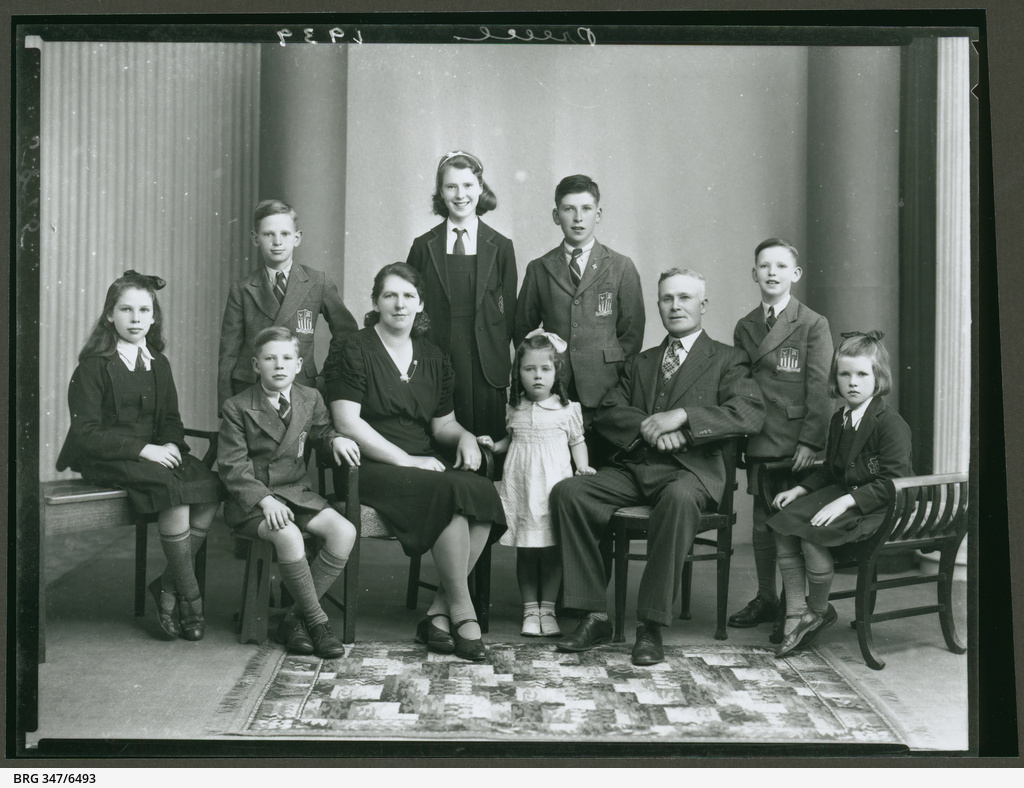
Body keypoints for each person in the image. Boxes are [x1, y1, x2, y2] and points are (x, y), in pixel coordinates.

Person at [550, 269, 765, 666]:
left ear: (703, 305)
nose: (675, 306)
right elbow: (609, 410)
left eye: (685, 298)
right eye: (667, 299)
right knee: (569, 493)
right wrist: (651, 430)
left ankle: (649, 624)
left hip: (691, 473)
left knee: (679, 500)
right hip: (637, 468)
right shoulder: (642, 362)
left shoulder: (728, 359)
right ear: (659, 305)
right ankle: (593, 615)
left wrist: (682, 418)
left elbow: (749, 412)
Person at [324, 262, 507, 662]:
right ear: (376, 301)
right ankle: (463, 613)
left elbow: (443, 425)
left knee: (479, 490)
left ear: (420, 303)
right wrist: (407, 460)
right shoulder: (352, 347)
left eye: (408, 296)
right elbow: (347, 422)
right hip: (368, 466)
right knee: (449, 491)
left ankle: (438, 614)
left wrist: (465, 437)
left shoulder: (433, 356)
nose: (399, 304)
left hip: (421, 466)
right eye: (390, 295)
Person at [56, 270, 221, 642]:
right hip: (107, 456)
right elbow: (87, 433)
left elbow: (171, 420)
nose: (135, 318)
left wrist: (173, 445)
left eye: (144, 310)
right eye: (126, 309)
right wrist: (145, 450)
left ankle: (167, 586)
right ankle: (190, 598)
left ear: (153, 317)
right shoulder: (93, 366)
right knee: (173, 492)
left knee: (210, 486)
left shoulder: (158, 362)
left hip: (154, 455)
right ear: (109, 315)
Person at [768, 331, 913, 657]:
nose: (852, 382)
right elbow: (831, 471)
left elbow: (893, 482)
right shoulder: (839, 419)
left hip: (881, 504)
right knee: (783, 522)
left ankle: (817, 613)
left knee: (812, 535)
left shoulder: (890, 424)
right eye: (844, 374)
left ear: (878, 378)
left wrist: (846, 501)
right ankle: (795, 611)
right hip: (847, 494)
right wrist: (800, 489)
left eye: (862, 374)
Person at [218, 326, 359, 659]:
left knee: (344, 531)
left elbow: (322, 432)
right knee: (289, 535)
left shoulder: (310, 398)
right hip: (253, 500)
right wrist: (265, 500)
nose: (279, 365)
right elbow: (232, 466)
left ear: (298, 365)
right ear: (256, 365)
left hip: (296, 492)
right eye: (270, 359)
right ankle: (318, 622)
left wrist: (335, 439)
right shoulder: (238, 406)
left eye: (286, 358)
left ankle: (294, 619)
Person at [727, 238, 833, 643]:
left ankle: (796, 604)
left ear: (795, 274)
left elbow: (820, 388)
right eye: (765, 266)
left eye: (781, 266)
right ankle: (766, 597)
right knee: (761, 522)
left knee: (792, 524)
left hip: (795, 442)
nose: (772, 272)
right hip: (759, 437)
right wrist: (742, 435)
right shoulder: (745, 326)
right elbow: (739, 385)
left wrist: (811, 442)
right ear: (754, 273)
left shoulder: (812, 323)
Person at [514, 174, 644, 460]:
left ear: (598, 214)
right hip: (555, 388)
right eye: (569, 209)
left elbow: (632, 333)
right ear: (556, 215)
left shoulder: (620, 266)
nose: (578, 218)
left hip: (606, 388)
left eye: (586, 209)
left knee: (602, 465)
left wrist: (617, 379)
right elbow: (523, 329)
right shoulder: (539, 268)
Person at [477, 330, 596, 638]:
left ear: (557, 372)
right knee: (528, 551)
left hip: (553, 488)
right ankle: (530, 610)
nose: (538, 376)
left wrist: (582, 465)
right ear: (519, 373)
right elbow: (511, 439)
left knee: (553, 551)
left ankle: (548, 609)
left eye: (545, 369)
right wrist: (494, 445)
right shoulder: (514, 407)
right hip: (522, 487)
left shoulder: (567, 409)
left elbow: (577, 441)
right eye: (529, 369)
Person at [406, 151, 517, 442]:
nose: (460, 195)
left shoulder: (501, 247)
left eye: (468, 185)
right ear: (441, 192)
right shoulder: (422, 247)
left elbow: (509, 317)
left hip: (485, 362)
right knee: (439, 439)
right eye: (451, 186)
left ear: (480, 188)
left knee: (487, 444)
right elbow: (409, 307)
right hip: (437, 356)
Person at [217, 199, 358, 411]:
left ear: (297, 238)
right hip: (250, 389)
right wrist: (225, 404)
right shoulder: (243, 288)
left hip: (301, 386)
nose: (277, 241)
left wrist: (326, 376)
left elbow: (347, 334)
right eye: (268, 234)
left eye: (284, 233)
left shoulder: (318, 282)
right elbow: (228, 351)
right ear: (255, 238)